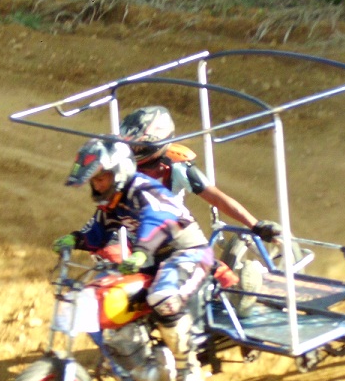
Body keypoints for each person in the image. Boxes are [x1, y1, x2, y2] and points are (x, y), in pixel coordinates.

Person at [51, 138, 215, 381]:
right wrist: (76, 239)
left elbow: (157, 220)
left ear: (119, 172)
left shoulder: (143, 189)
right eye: (95, 180)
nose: (98, 184)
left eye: (102, 177)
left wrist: (141, 250)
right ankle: (134, 357)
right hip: (152, 259)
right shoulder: (112, 202)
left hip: (189, 253)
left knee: (162, 296)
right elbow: (98, 234)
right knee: (111, 292)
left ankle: (190, 371)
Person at [120, 106, 280, 296]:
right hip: (136, 242)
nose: (132, 151)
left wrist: (255, 225)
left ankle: (242, 284)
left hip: (176, 240)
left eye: (137, 147)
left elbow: (216, 198)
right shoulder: (121, 167)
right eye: (129, 146)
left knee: (186, 286)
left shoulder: (177, 168)